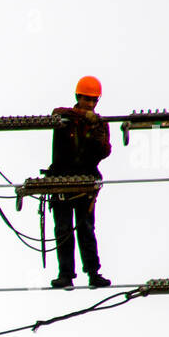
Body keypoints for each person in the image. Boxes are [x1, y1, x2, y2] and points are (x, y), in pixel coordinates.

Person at [45, 75, 112, 289]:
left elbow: (104, 151)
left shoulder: (100, 124)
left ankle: (93, 273)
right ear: (78, 97)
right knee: (63, 228)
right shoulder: (65, 118)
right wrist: (84, 116)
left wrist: (96, 136)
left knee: (85, 228)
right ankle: (66, 274)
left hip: (85, 184)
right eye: (86, 99)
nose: (90, 104)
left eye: (93, 101)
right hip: (61, 181)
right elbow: (57, 111)